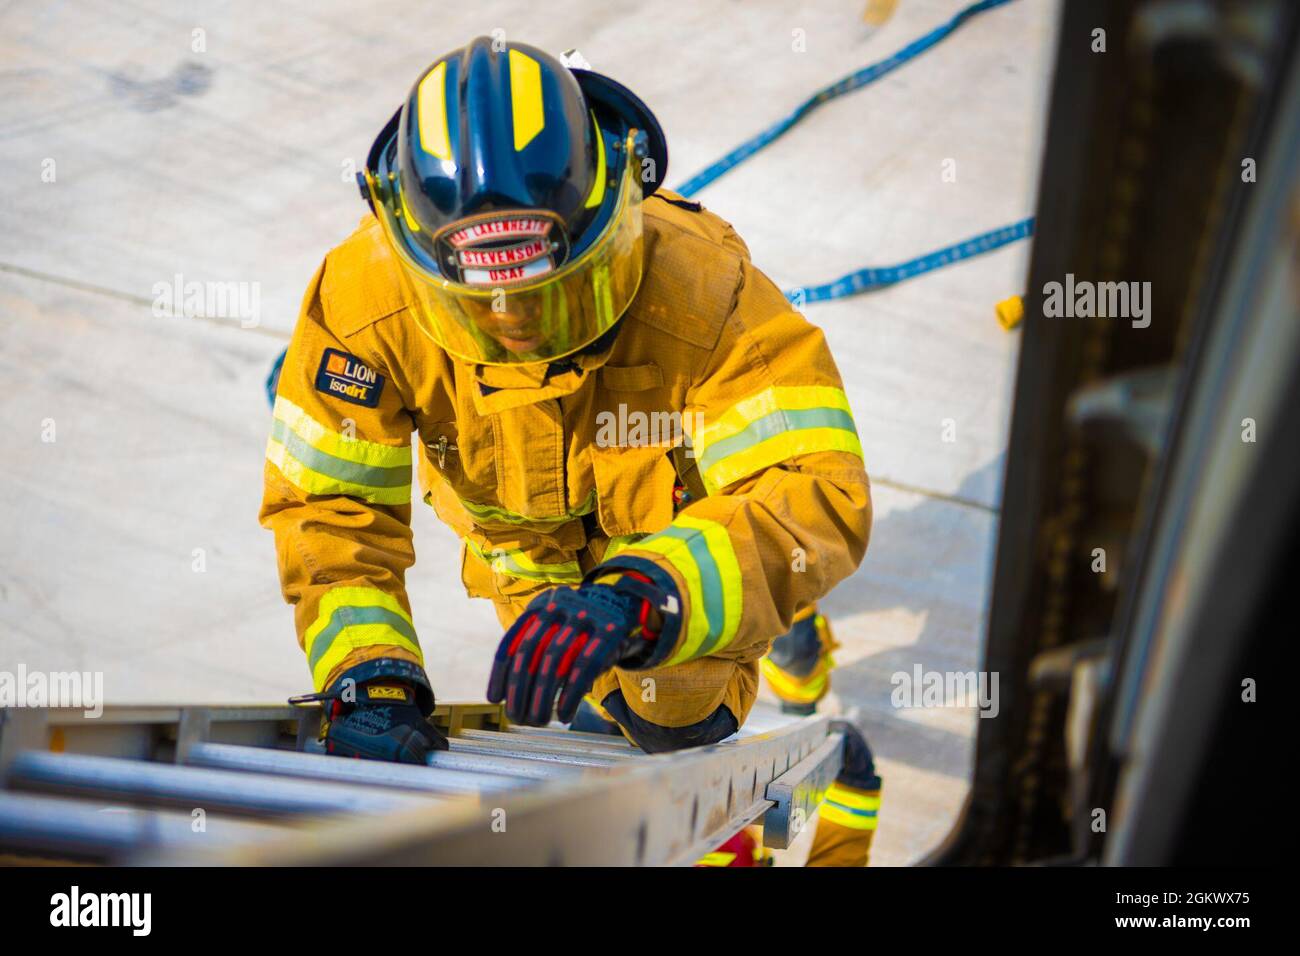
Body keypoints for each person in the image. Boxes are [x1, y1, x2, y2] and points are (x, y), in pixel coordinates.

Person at [260, 37, 871, 766]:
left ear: (614, 206)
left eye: (553, 293)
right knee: (602, 708)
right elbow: (330, 511)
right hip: (531, 580)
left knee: (675, 719)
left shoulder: (707, 292)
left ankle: (795, 642)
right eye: (479, 308)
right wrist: (368, 676)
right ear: (412, 248)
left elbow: (811, 490)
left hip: (673, 561)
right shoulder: (362, 303)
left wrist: (651, 597)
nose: (517, 325)